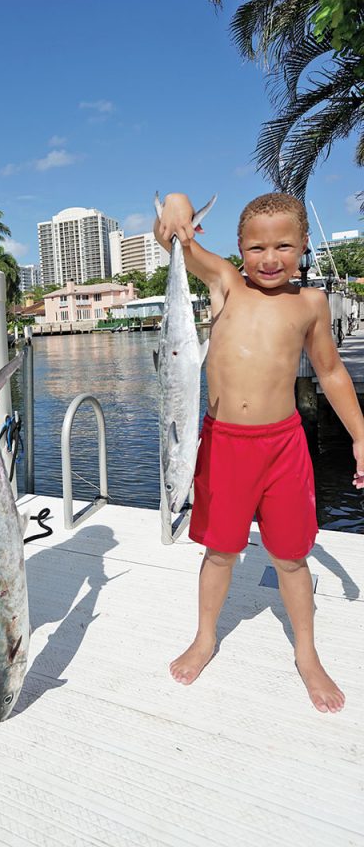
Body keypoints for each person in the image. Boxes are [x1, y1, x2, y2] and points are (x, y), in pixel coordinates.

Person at [154, 191, 364, 713]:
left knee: (292, 557)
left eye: (284, 246)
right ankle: (206, 638)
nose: (270, 259)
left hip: (283, 445)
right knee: (219, 550)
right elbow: (173, 234)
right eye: (256, 248)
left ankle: (307, 653)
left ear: (305, 246)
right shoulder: (225, 282)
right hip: (224, 444)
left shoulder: (310, 304)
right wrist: (178, 210)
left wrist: (361, 435)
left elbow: (332, 372)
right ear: (239, 250)